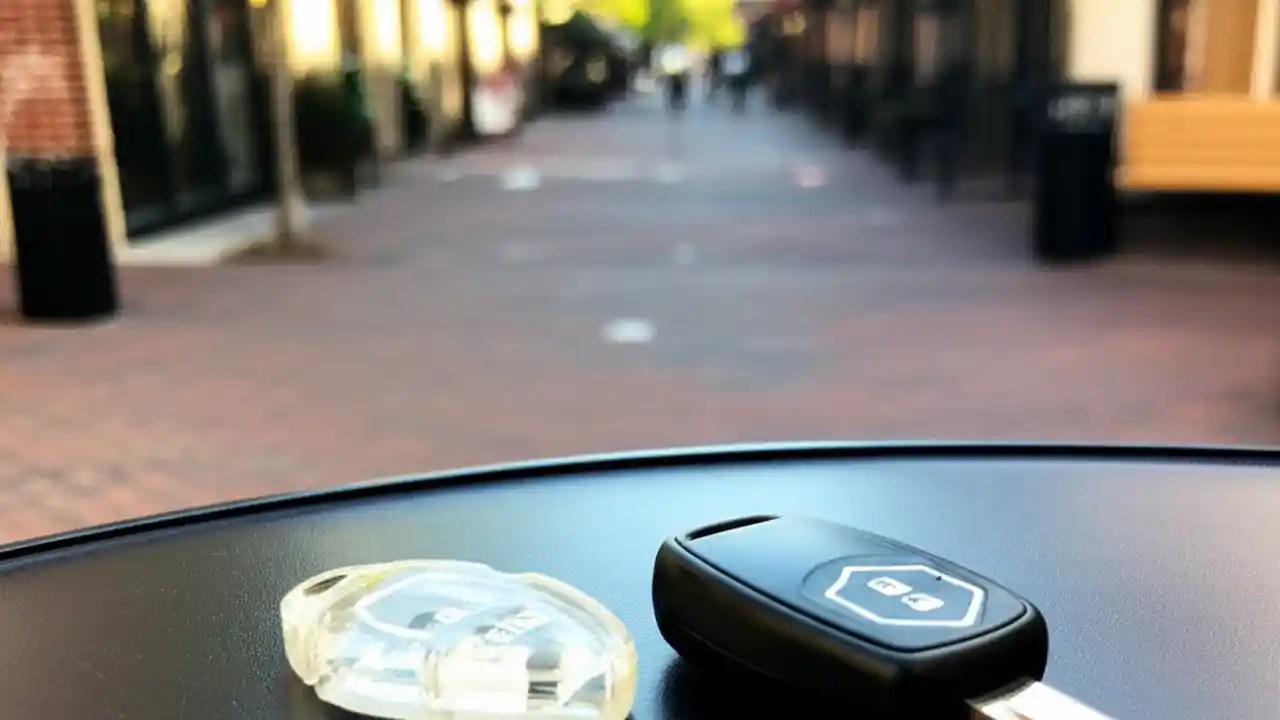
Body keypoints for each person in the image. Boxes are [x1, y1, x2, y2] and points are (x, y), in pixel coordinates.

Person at [658, 43, 692, 113]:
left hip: (672, 73)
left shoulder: (668, 53)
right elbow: (687, 63)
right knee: (679, 88)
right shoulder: (682, 53)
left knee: (673, 88)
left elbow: (664, 62)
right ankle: (678, 101)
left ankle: (674, 101)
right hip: (679, 73)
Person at [723, 47, 750, 113]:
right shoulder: (743, 53)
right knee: (738, 89)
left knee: (737, 89)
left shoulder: (730, 52)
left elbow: (726, 62)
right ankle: (738, 103)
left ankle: (738, 103)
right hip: (738, 73)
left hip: (737, 73)